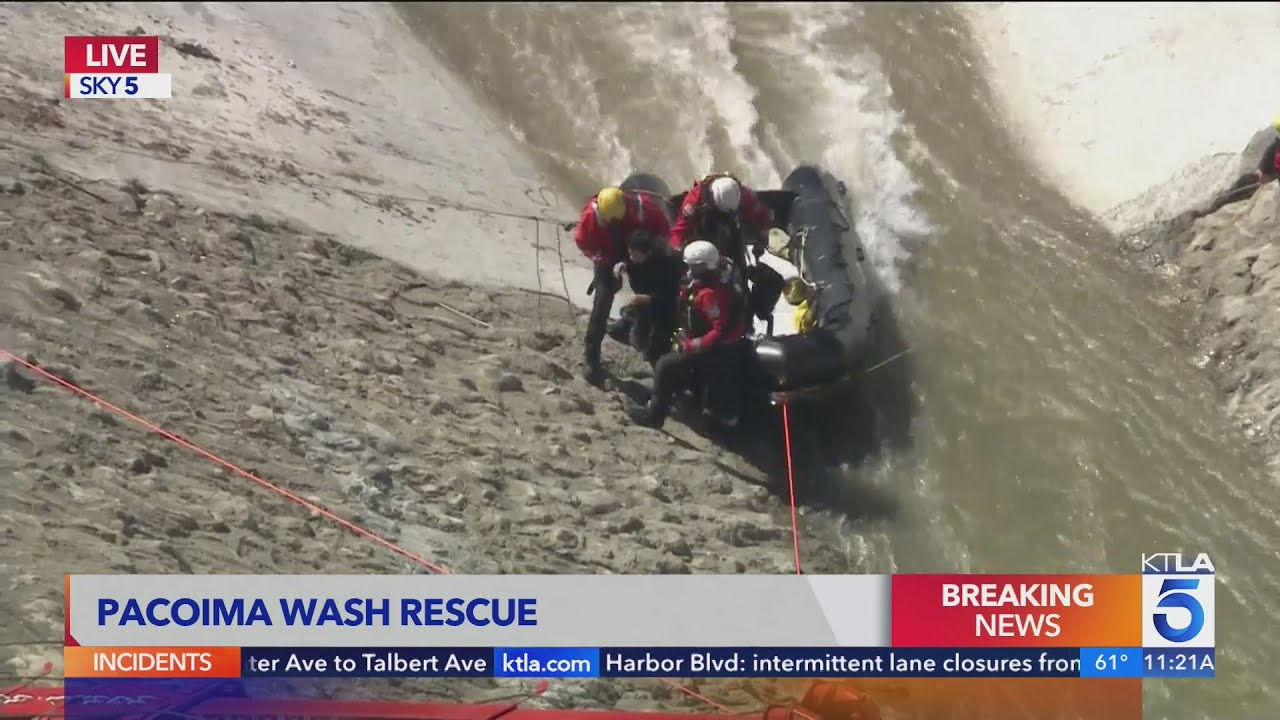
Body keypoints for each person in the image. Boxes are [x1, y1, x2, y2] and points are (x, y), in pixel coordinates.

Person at [626, 241, 751, 430]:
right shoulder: (719, 274)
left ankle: (654, 416)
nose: (690, 271)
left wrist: (692, 345)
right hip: (709, 340)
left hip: (715, 349)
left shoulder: (710, 295)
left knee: (665, 366)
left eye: (694, 267)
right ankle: (671, 394)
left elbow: (719, 329)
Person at [572, 186, 672, 383]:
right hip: (608, 256)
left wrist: (647, 253)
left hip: (639, 255)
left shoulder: (644, 209)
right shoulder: (591, 218)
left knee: (649, 297)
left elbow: (664, 233)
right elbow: (585, 243)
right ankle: (591, 357)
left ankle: (641, 334)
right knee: (602, 302)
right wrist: (604, 262)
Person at [669, 173, 773, 275]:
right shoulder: (694, 201)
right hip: (704, 229)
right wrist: (677, 254)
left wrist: (763, 236)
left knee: (739, 266)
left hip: (733, 227)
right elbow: (679, 231)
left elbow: (761, 215)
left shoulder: (744, 195)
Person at [606, 230, 684, 366]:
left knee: (655, 350)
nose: (631, 257)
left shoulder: (666, 266)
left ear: (648, 253)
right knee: (620, 332)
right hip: (640, 304)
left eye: (634, 254)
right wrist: (621, 265)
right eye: (630, 252)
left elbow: (671, 296)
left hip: (664, 310)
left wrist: (648, 298)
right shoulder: (633, 259)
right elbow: (627, 259)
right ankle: (631, 323)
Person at [1200, 116, 1280, 216]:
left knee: (1246, 191)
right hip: (1265, 180)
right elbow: (1266, 158)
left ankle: (1222, 203)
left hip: (1272, 183)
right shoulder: (1276, 145)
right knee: (1245, 179)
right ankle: (1219, 202)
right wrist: (1261, 170)